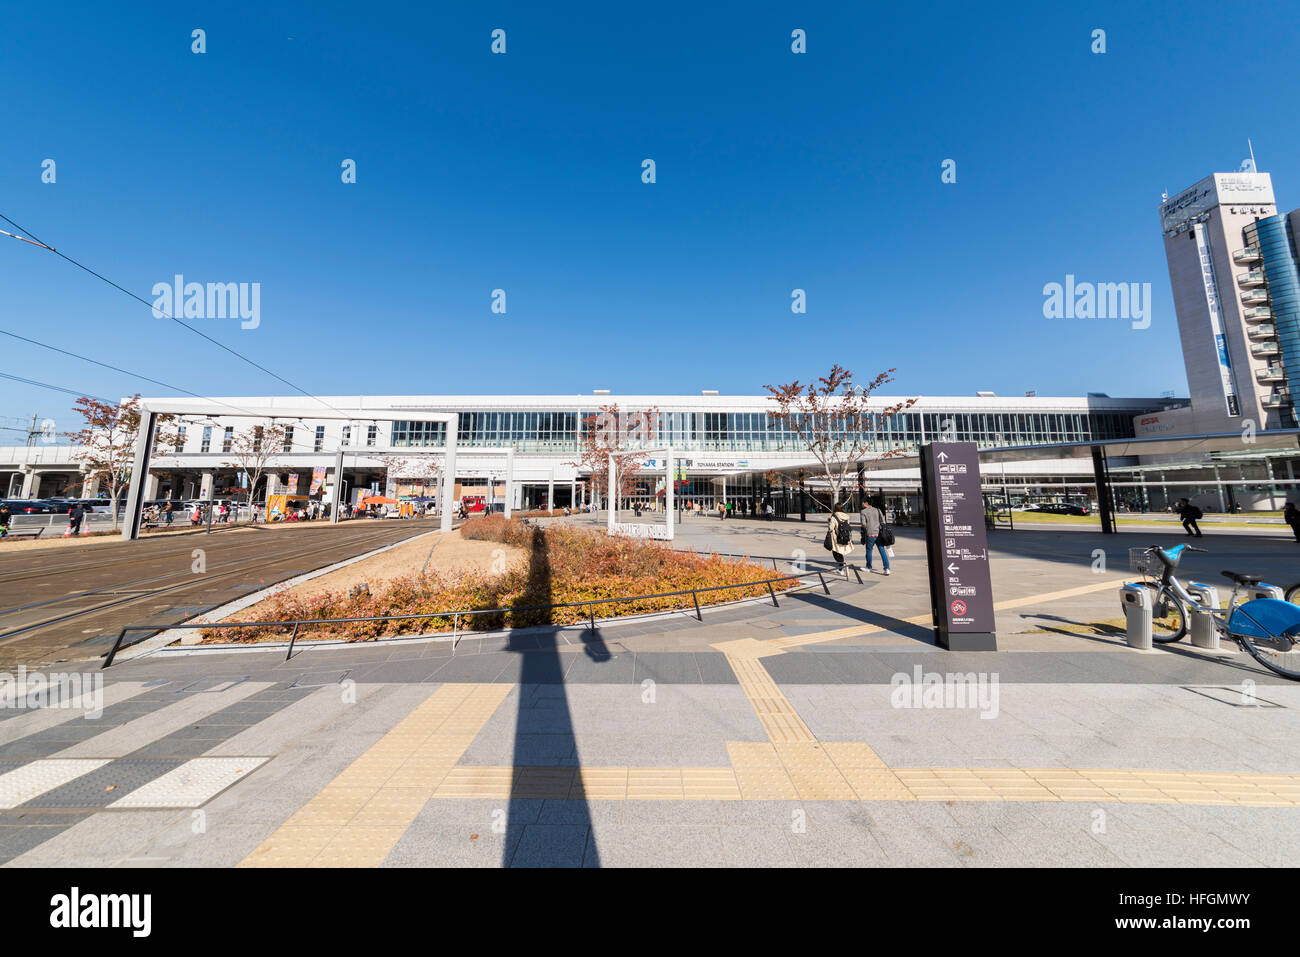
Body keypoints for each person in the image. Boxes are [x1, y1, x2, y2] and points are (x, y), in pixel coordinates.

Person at [859, 499, 891, 575]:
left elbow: (863, 524)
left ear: (865, 503)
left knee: (869, 550)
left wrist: (867, 528)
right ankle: (887, 568)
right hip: (879, 533)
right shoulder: (877, 510)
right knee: (882, 551)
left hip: (870, 534)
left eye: (862, 502)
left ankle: (868, 566)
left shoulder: (863, 512)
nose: (862, 504)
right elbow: (883, 521)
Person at [826, 502, 855, 576]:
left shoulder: (834, 517)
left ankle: (841, 569)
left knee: (836, 553)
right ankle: (841, 567)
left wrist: (829, 522)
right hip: (845, 537)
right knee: (840, 552)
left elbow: (831, 528)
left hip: (836, 538)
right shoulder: (847, 516)